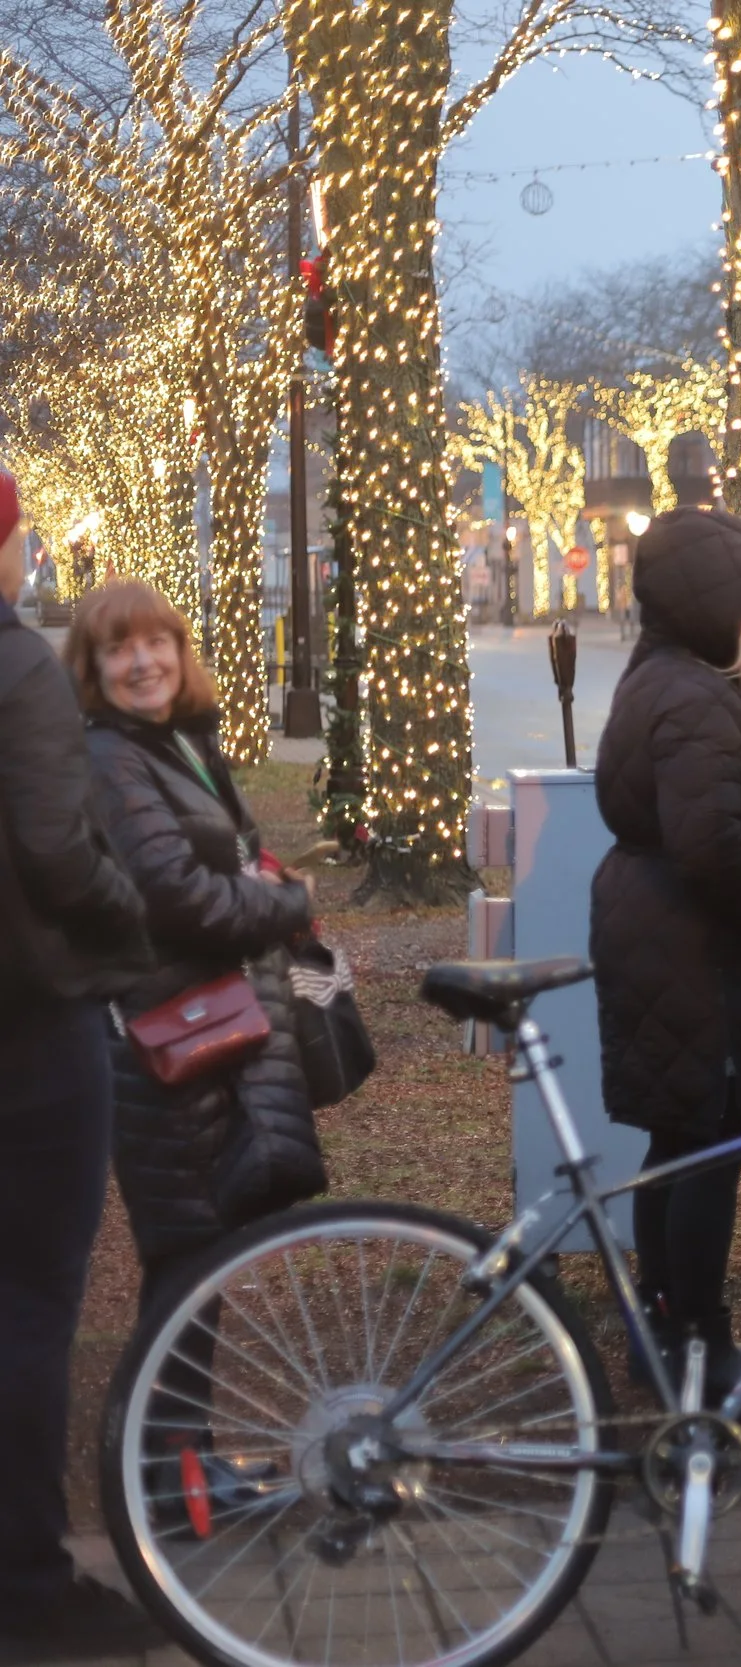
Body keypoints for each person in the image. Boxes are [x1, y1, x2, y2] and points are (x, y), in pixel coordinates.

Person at [74, 580, 327, 1538]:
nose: (143, 662)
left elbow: (230, 866)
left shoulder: (170, 744)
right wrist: (287, 905)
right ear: (92, 670)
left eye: (157, 643)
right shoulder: (112, 759)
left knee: (199, 1255)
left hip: (197, 1025)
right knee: (183, 1259)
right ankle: (167, 1482)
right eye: (119, 650)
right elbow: (182, 896)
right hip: (163, 1040)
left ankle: (184, 1467)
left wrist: (266, 880)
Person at [0, 479, 161, 1657]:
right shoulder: (16, 672)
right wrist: (124, 924)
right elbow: (60, 850)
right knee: (32, 1300)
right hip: (29, 1022)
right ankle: (25, 1578)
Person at [590, 507, 741, 1406]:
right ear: (706, 597)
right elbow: (709, 840)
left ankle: (660, 1331)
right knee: (706, 1143)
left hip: (661, 929)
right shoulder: (692, 696)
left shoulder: (666, 679)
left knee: (677, 1142)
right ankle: (699, 1345)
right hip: (694, 944)